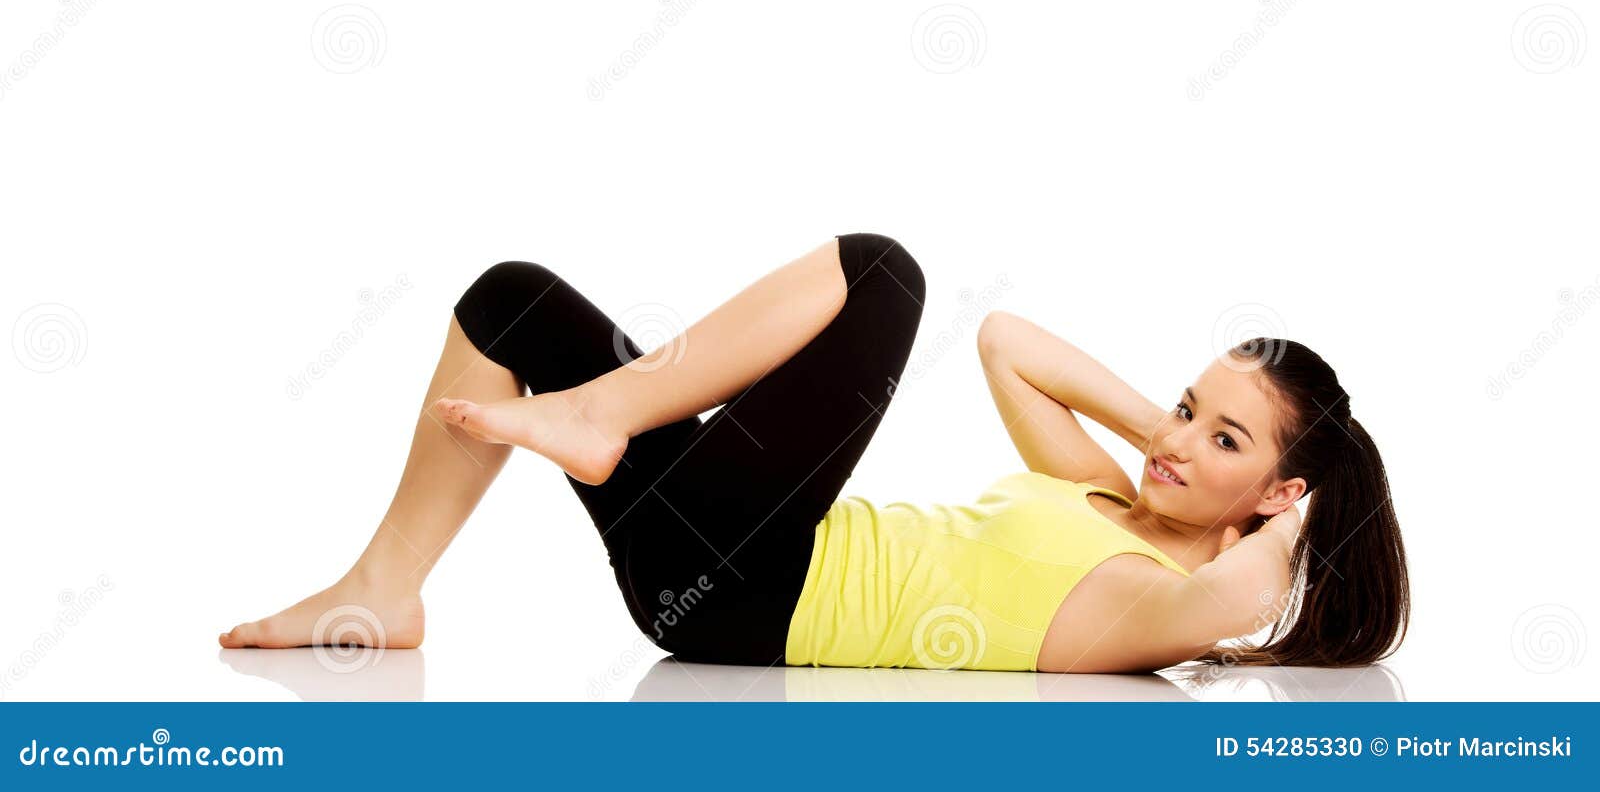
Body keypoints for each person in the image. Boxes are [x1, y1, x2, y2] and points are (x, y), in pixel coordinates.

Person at [219, 233, 1408, 672]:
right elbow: (1008, 344)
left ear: (1283, 488)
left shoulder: (1158, 608)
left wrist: (1293, 520)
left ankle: (602, 417)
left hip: (758, 599)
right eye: (1188, 405)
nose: (1180, 438)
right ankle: (383, 592)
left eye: (1226, 437)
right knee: (512, 302)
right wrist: (1161, 435)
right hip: (729, 557)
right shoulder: (1099, 488)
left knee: (882, 274)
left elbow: (1234, 590)